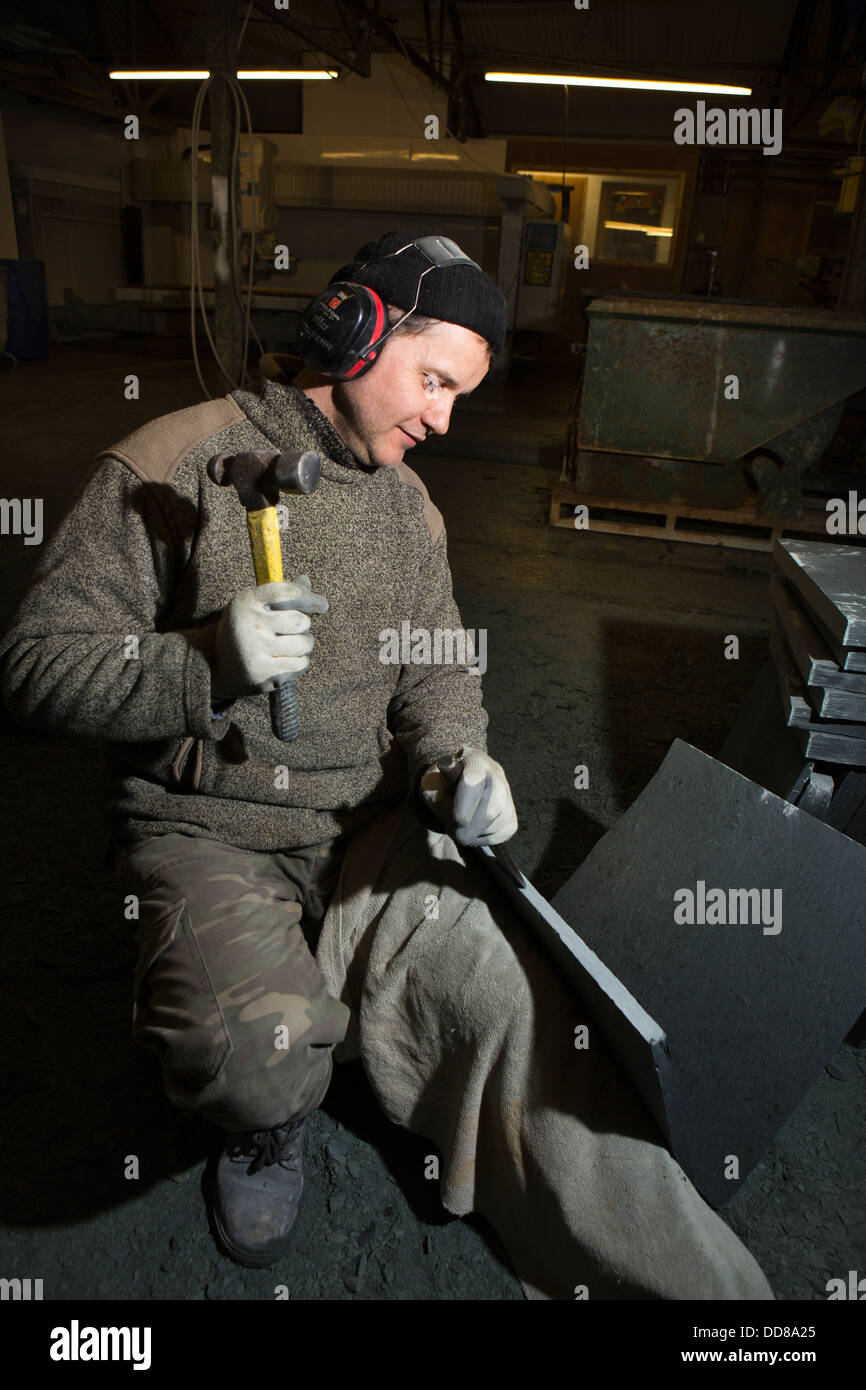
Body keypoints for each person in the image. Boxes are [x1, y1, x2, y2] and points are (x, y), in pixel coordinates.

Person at [0, 227, 774, 1299]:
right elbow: (34, 667)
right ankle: (272, 1114)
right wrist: (204, 659)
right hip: (207, 832)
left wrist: (462, 757)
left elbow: (437, 670)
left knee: (524, 1018)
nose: (444, 418)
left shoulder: (409, 509)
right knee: (252, 1050)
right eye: (435, 380)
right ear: (353, 330)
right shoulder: (166, 467)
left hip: (368, 826)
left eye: (461, 393)